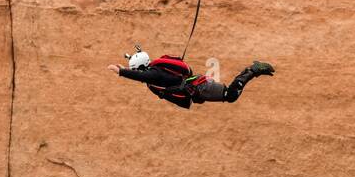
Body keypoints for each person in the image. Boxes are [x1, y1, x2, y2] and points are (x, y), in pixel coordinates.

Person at [108, 49, 275, 109]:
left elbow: (140, 76)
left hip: (199, 87)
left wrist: (121, 72)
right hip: (197, 88)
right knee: (229, 96)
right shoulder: (156, 72)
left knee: (230, 95)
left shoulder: (155, 75)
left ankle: (253, 70)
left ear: (142, 68)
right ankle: (253, 70)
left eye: (136, 69)